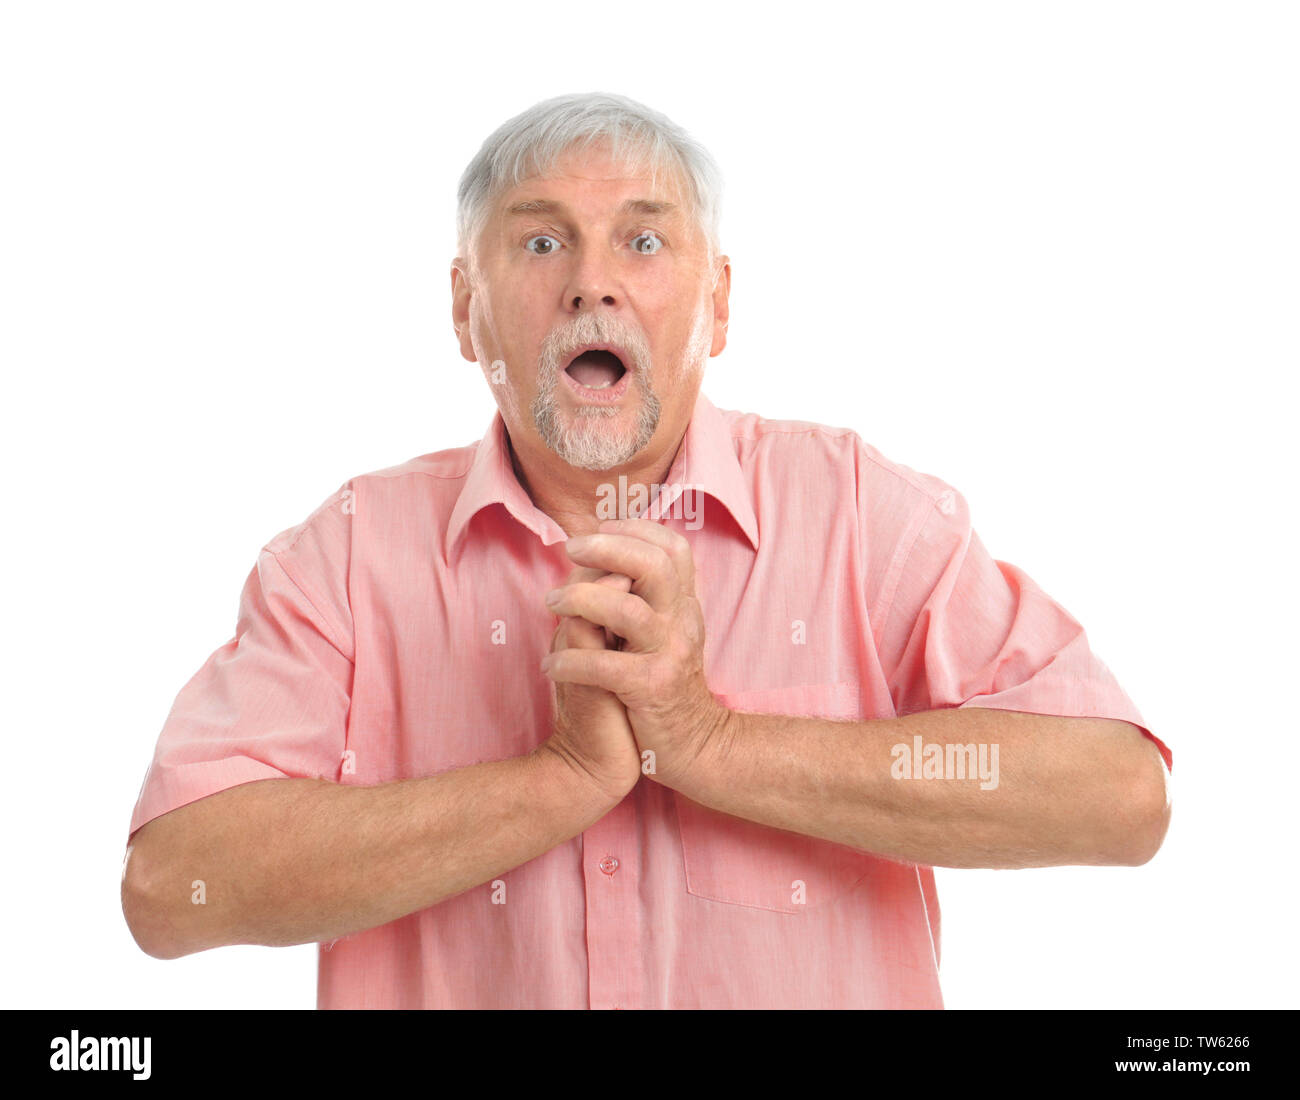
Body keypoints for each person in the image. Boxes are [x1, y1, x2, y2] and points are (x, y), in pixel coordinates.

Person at [121, 91, 1171, 1009]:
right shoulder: (345, 556)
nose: (591, 284)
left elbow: (1119, 794)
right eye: (540, 243)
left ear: (717, 303)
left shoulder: (857, 507)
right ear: (462, 308)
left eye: (642, 240)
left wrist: (710, 744)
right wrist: (560, 779)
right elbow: (173, 885)